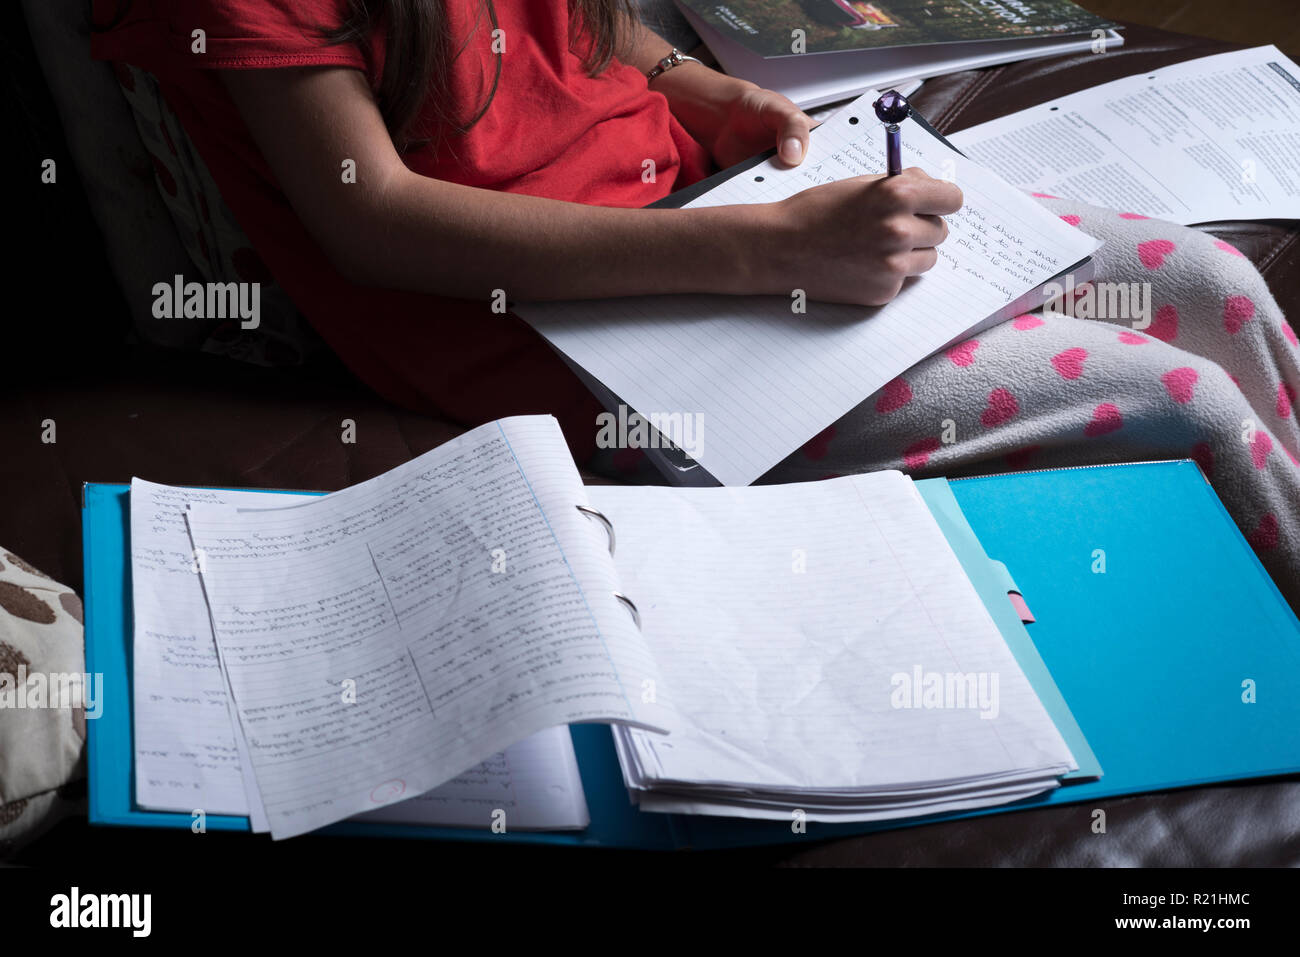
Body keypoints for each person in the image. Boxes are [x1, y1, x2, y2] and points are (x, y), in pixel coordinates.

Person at [92, 1, 1300, 608]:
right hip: (560, 338)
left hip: (714, 217)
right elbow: (375, 221)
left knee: (1210, 281)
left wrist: (699, 90)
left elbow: (592, 24)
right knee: (1174, 398)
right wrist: (763, 250)